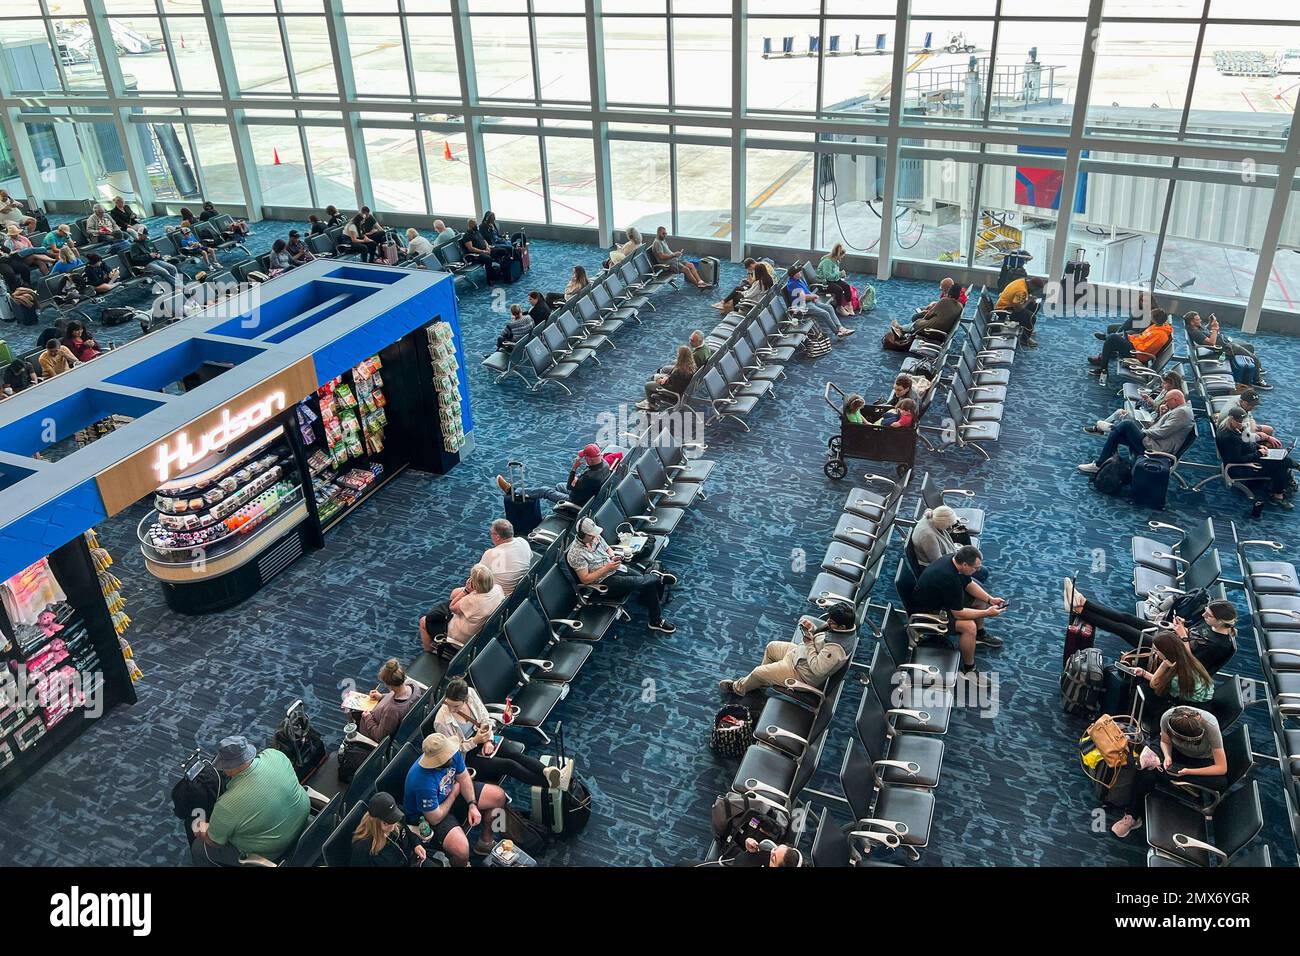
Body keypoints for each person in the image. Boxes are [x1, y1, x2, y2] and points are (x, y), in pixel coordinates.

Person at [1064, 580, 1237, 676]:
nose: (1204, 616)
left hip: (1171, 655)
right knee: (1128, 618)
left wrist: (1183, 636)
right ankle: (1082, 604)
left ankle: (1079, 609)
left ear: (1221, 621)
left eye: (1209, 615)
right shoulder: (1210, 624)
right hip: (1171, 637)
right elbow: (1192, 631)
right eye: (1206, 612)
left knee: (1122, 628)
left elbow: (1192, 664)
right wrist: (1181, 626)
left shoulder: (1220, 645)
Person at [1109, 706, 1228, 839]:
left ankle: (1163, 771)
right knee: (1146, 771)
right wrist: (1167, 756)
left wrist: (1189, 771)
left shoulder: (1211, 725)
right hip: (1173, 752)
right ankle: (1132, 816)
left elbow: (1222, 767)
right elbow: (1165, 741)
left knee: (1221, 782)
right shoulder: (1168, 716)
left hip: (1200, 760)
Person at [190, 735, 310, 866]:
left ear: (227, 768)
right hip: (306, 824)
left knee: (199, 847)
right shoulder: (275, 755)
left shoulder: (228, 804)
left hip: (274, 851)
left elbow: (214, 841)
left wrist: (201, 828)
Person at [433, 677, 562, 790]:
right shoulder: (441, 721)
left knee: (514, 754)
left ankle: (547, 771)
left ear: (465, 699)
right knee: (509, 765)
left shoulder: (470, 694)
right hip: (466, 755)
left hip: (482, 736)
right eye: (448, 704)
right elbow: (453, 752)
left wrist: (488, 740)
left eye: (456, 706)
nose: (451, 709)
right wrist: (475, 741)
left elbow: (485, 718)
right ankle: (550, 783)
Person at [403, 732, 508, 865]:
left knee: (498, 796)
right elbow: (434, 818)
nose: (452, 756)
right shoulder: (422, 781)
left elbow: (463, 777)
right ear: (438, 762)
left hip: (450, 792)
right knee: (462, 850)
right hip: (429, 816)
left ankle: (485, 842)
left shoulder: (452, 753)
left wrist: (472, 804)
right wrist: (453, 794)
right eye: (447, 757)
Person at [567, 516, 676, 634]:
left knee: (647, 583)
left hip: (615, 567)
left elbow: (607, 548)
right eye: (591, 536)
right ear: (583, 535)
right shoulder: (575, 554)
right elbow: (585, 579)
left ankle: (655, 619)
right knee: (646, 581)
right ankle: (658, 578)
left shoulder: (595, 536)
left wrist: (613, 556)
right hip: (603, 583)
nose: (594, 537)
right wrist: (606, 568)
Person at [909, 545, 1006, 677]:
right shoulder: (949, 578)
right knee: (969, 627)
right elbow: (958, 613)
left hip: (941, 602)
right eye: (976, 568)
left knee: (980, 599)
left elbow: (969, 584)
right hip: (928, 614)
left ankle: (980, 634)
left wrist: (990, 599)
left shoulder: (954, 561)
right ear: (965, 565)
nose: (978, 570)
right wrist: (987, 613)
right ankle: (969, 669)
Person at [720, 603, 856, 696]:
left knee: (758, 671)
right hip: (799, 655)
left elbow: (817, 669)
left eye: (831, 622)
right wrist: (812, 629)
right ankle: (760, 683)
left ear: (842, 627)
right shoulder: (844, 629)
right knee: (771, 648)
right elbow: (823, 638)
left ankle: (738, 688)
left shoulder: (836, 650)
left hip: (801, 673)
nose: (827, 623)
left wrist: (808, 643)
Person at [1077, 389, 1193, 475]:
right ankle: (1104, 461)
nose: (1166, 404)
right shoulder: (1181, 410)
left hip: (1156, 449)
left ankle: (1110, 431)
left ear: (1175, 400)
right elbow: (1164, 429)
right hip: (1154, 442)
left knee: (1128, 424)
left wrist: (1143, 431)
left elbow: (1163, 432)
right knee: (1117, 434)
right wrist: (1162, 415)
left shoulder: (1182, 413)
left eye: (1168, 401)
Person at [1216, 405, 1297, 514]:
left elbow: (1247, 441)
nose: (1242, 424)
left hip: (1250, 458)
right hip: (1239, 468)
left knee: (1281, 463)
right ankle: (1279, 492)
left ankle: (1278, 495)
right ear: (1231, 419)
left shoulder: (1236, 428)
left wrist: (1259, 447)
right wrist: (1258, 453)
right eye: (1240, 421)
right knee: (1281, 463)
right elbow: (1236, 459)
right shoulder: (1229, 437)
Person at [1126, 630, 1214, 724]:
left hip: (1191, 708)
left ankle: (1130, 723)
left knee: (1142, 690)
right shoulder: (1186, 658)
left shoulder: (1179, 678)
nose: (1156, 653)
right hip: (1194, 698)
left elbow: (1155, 685)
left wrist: (1164, 664)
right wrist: (1144, 673)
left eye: (1157, 650)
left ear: (1166, 652)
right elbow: (1159, 681)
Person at [496, 442, 611, 509]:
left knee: (544, 491)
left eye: (585, 457)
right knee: (558, 485)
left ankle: (513, 491)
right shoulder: (605, 464)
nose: (583, 458)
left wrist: (574, 468)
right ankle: (559, 507)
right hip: (587, 493)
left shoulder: (590, 477)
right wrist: (577, 482)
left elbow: (569, 487)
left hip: (577, 501)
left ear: (590, 459)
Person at [418, 563, 505, 653]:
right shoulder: (498, 589)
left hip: (459, 639)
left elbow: (452, 607)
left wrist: (466, 590)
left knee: (423, 621)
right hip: (482, 634)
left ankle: (429, 653)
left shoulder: (471, 600)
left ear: (474, 583)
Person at [1086, 369, 1185, 436]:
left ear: (1172, 383)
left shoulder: (1173, 397)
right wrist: (1150, 401)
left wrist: (1152, 403)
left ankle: (1106, 429)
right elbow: (1157, 407)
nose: (1162, 385)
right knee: (1120, 413)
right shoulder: (1165, 391)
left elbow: (1161, 415)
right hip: (1149, 415)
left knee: (1121, 415)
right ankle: (1103, 429)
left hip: (1150, 423)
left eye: (1165, 383)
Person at [1186, 311, 1269, 390]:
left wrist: (1210, 322)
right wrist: (1214, 329)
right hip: (1225, 349)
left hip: (1225, 342)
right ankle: (1257, 381)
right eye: (1197, 320)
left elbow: (1205, 332)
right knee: (1254, 358)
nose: (1200, 320)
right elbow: (1211, 343)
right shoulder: (1195, 333)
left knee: (1249, 347)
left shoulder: (1196, 328)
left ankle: (1257, 369)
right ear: (1192, 322)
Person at [355, 658, 425, 743]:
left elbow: (379, 736)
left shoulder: (392, 711)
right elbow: (397, 696)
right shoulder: (413, 686)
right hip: (380, 715)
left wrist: (367, 717)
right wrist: (381, 696)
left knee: (353, 713)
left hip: (368, 730)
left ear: (389, 685)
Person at [350, 791, 427, 867]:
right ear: (375, 823)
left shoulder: (398, 818)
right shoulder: (362, 847)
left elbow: (408, 833)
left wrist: (416, 845)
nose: (393, 825)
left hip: (411, 859)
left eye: (394, 819)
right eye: (387, 822)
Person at [1088, 309, 1172, 375]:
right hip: (1135, 346)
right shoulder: (1156, 326)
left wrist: (1130, 341)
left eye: (1151, 316)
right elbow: (1142, 337)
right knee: (1114, 339)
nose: (1149, 317)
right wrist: (1129, 338)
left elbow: (1144, 349)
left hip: (1137, 354)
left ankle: (1103, 368)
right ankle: (1103, 363)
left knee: (1112, 338)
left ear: (1155, 319)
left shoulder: (1160, 335)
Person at [787, 265, 853, 338]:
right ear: (794, 275)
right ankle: (837, 332)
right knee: (824, 313)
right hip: (802, 306)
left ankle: (841, 328)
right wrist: (814, 296)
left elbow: (807, 292)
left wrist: (812, 296)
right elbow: (803, 297)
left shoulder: (799, 280)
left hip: (809, 302)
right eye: (798, 272)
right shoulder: (792, 284)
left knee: (829, 308)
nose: (800, 272)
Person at [891, 283, 963, 345]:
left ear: (949, 293)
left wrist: (922, 318)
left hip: (932, 330)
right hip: (943, 332)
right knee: (920, 322)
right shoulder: (960, 306)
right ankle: (902, 329)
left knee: (919, 322)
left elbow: (929, 315)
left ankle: (901, 329)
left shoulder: (945, 301)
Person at [479, 518, 533, 597]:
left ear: (497, 537)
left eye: (491, 533)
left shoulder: (492, 554)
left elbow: (477, 577)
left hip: (500, 595)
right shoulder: (522, 541)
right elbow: (530, 557)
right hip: (521, 588)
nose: (490, 535)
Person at [638, 344, 695, 410]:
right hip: (681, 388)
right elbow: (676, 379)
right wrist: (667, 378)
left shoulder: (679, 371)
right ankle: (651, 399)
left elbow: (675, 388)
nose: (677, 354)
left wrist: (662, 383)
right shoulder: (691, 366)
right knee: (655, 377)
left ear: (680, 357)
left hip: (674, 393)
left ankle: (652, 405)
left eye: (678, 354)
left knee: (647, 385)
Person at [995, 275, 1045, 344]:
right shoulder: (1021, 291)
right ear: (1032, 286)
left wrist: (1030, 299)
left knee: (1035, 305)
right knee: (1031, 317)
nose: (1035, 292)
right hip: (1004, 311)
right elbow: (1018, 309)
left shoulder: (1022, 281)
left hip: (1010, 306)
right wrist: (1029, 300)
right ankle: (1024, 340)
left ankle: (1027, 327)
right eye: (1035, 290)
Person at [815, 243, 855, 316]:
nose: (842, 258)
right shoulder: (827, 262)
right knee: (838, 289)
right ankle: (839, 307)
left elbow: (834, 275)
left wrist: (840, 275)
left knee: (846, 286)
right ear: (838, 255)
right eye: (842, 256)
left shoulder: (836, 261)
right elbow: (828, 276)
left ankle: (849, 305)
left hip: (832, 280)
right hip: (823, 283)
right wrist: (840, 274)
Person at [729, 838, 802, 867]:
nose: (771, 851)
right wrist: (749, 846)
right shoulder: (767, 850)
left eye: (773, 858)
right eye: (776, 848)